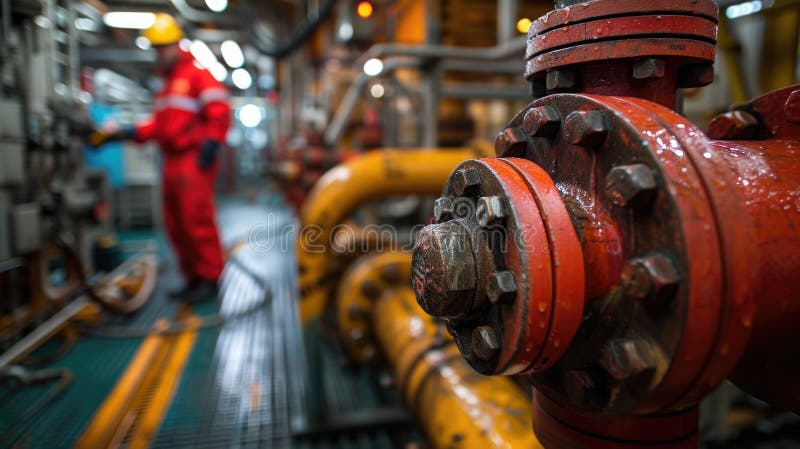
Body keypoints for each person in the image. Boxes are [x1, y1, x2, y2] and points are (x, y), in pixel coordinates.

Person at [89, 13, 230, 303]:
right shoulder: (166, 83)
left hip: (192, 158)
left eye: (163, 47)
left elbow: (219, 110)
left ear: (177, 44)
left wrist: (210, 146)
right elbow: (160, 125)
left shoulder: (196, 75)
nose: (159, 53)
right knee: (175, 223)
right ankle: (193, 278)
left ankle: (211, 278)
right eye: (156, 48)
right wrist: (125, 132)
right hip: (172, 160)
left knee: (196, 221)